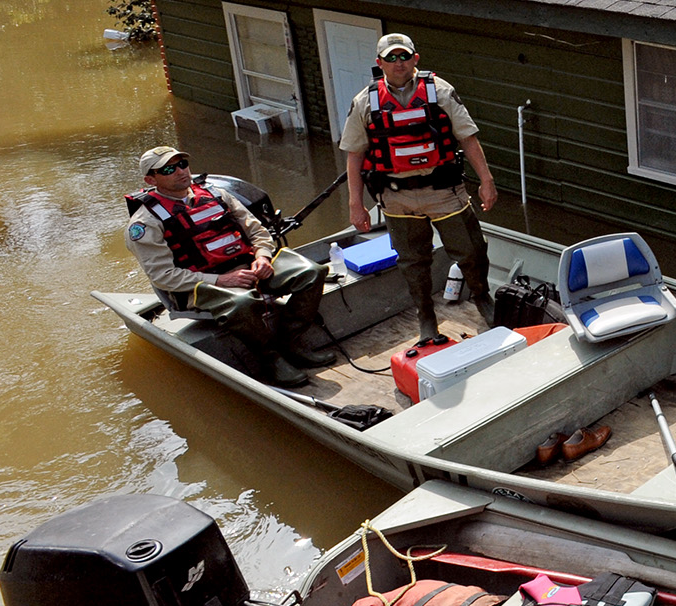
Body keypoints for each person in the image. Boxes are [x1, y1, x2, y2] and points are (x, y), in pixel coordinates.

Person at [125, 145, 334, 386]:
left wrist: (262, 257)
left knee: (311, 272)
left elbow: (257, 231)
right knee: (241, 302)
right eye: (169, 169)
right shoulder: (145, 223)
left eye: (182, 164)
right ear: (151, 179)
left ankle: (291, 342)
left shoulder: (216, 195)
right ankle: (271, 358)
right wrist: (222, 280)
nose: (181, 171)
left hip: (249, 267)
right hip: (200, 286)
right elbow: (163, 276)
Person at [341, 33, 499, 343]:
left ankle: (482, 297)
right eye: (391, 58)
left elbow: (468, 138)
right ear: (380, 63)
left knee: (472, 250)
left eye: (404, 56)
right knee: (413, 262)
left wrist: (487, 181)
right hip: (396, 198)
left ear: (416, 58)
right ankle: (426, 314)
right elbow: (354, 156)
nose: (398, 63)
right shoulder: (364, 102)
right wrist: (355, 204)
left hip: (443, 192)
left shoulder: (440, 92)